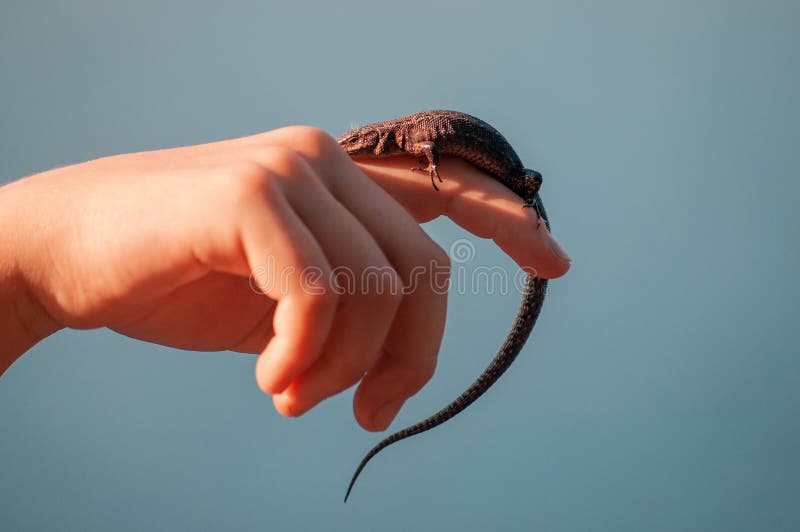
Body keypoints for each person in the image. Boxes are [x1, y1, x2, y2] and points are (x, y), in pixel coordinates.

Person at [0, 126, 570, 431]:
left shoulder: (413, 138)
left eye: (353, 147)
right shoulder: (396, 139)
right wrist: (31, 266)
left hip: (513, 178)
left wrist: (28, 281)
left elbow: (431, 144)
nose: (347, 153)